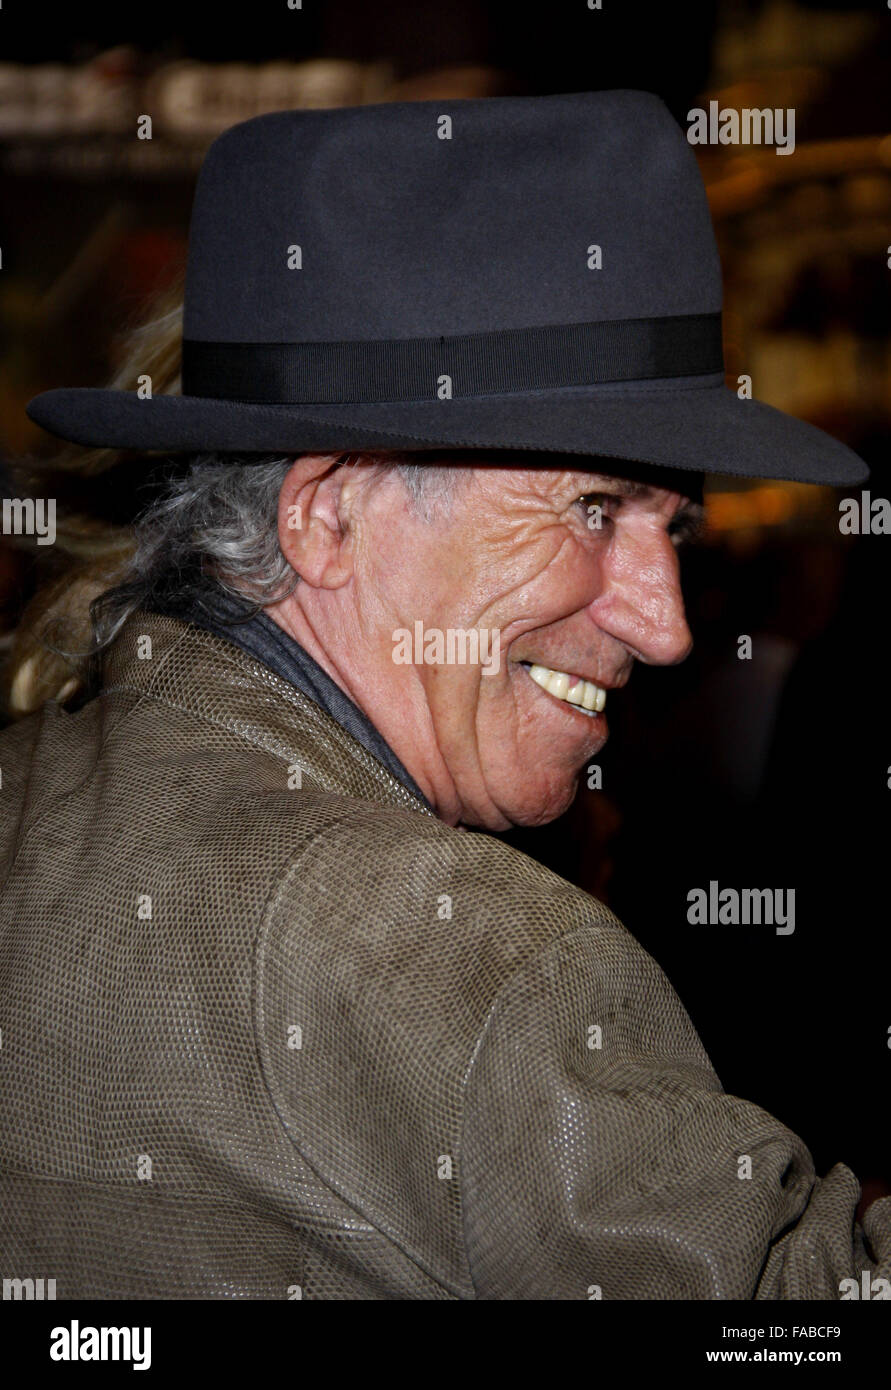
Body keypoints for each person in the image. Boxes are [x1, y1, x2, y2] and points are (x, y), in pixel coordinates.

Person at [1, 90, 887, 1300]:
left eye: (672, 526)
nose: (668, 623)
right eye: (591, 508)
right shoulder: (474, 962)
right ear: (326, 511)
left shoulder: (28, 794)